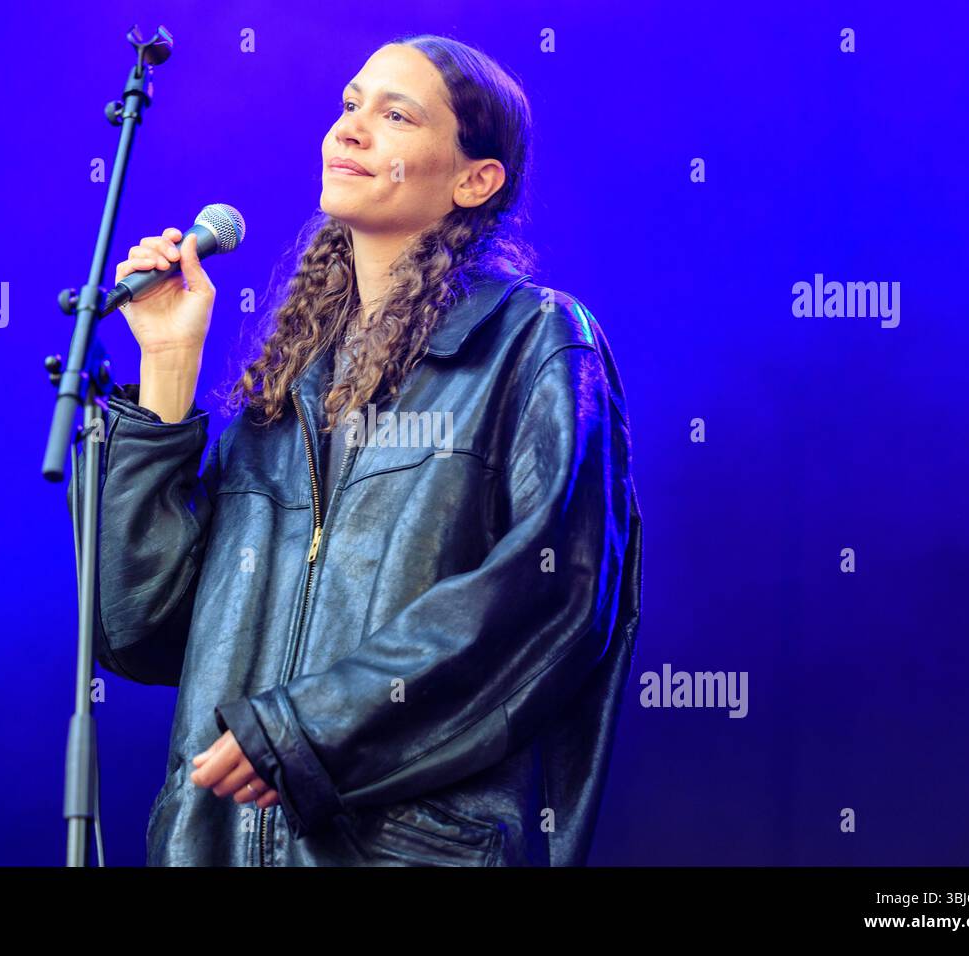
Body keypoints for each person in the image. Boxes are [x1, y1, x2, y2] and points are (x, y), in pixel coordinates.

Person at [72, 33, 644, 866]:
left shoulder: (534, 343)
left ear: (474, 179)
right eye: (349, 106)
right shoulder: (286, 391)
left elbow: (552, 597)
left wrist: (305, 732)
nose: (350, 129)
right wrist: (167, 367)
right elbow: (137, 632)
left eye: (396, 113)